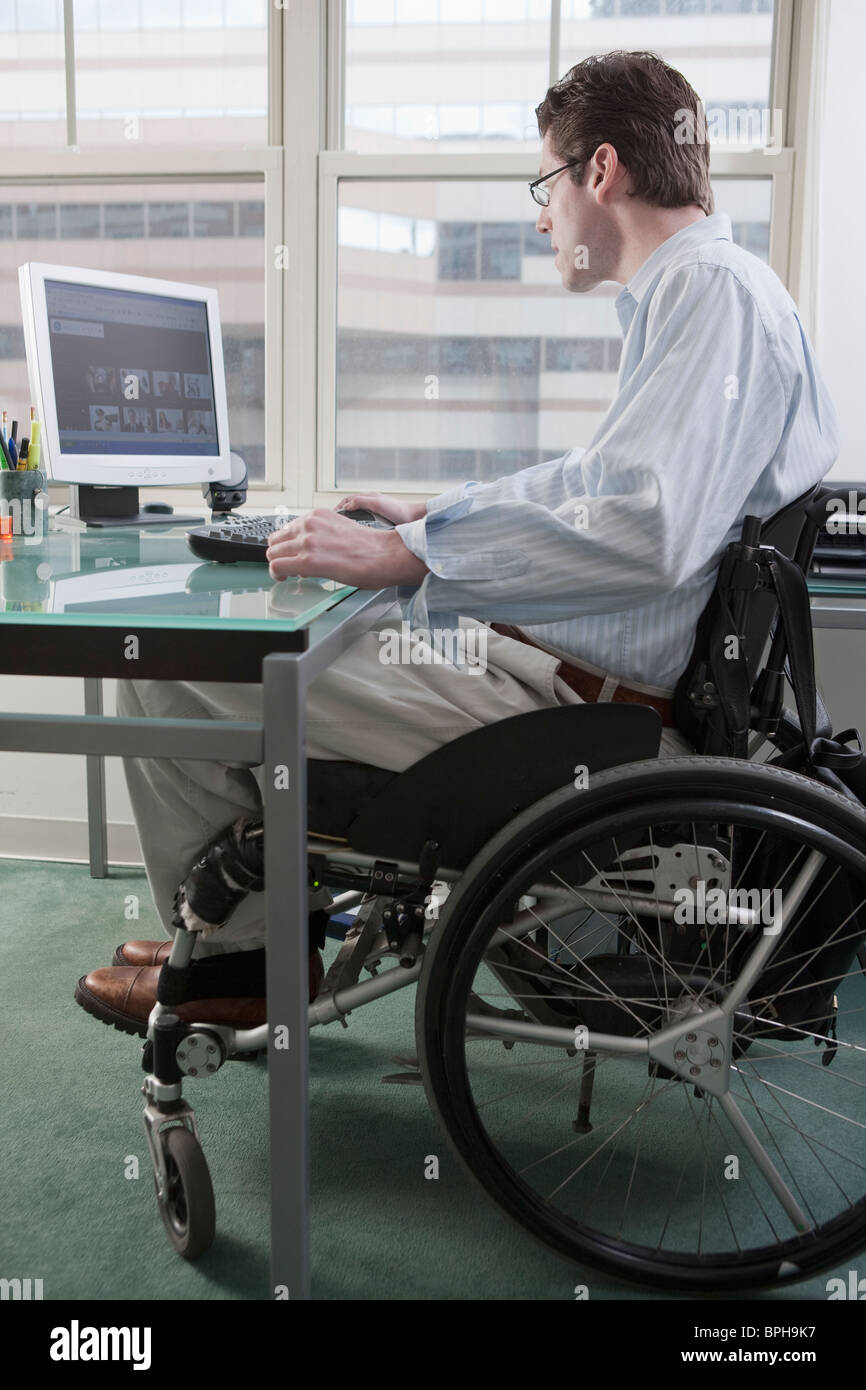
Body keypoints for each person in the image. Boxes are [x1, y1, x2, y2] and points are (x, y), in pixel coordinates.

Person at [75, 50, 839, 1035]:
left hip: (593, 726)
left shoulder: (708, 293)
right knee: (277, 648)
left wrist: (414, 556)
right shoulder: (706, 292)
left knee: (176, 664)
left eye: (544, 185)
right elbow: (593, 489)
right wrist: (427, 519)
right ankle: (238, 938)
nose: (540, 216)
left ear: (597, 172)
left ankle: (236, 965)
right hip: (572, 687)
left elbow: (644, 528)